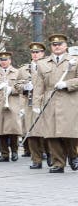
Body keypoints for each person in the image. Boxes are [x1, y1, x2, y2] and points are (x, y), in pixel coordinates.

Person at [32, 34, 78, 173]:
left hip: (69, 99)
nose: (57, 46)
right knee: (52, 134)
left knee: (69, 132)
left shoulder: (75, 61)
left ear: (66, 46)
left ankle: (74, 156)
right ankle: (58, 163)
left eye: (60, 44)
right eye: (54, 44)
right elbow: (39, 86)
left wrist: (67, 83)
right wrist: (36, 105)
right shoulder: (43, 63)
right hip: (50, 100)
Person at [17, 42, 46, 168]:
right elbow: (17, 85)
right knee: (32, 132)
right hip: (29, 103)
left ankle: (50, 154)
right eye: (33, 52)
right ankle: (36, 160)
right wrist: (25, 87)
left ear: (43, 53)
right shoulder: (23, 69)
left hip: (44, 102)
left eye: (38, 52)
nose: (35, 54)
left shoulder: (47, 65)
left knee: (45, 132)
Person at [0, 51, 24, 162]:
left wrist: (13, 89)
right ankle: (4, 153)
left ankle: (14, 152)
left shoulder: (17, 72)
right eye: (1, 60)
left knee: (13, 130)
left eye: (5, 60)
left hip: (13, 102)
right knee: (1, 130)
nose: (3, 62)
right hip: (0, 103)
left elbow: (22, 86)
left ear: (10, 60)